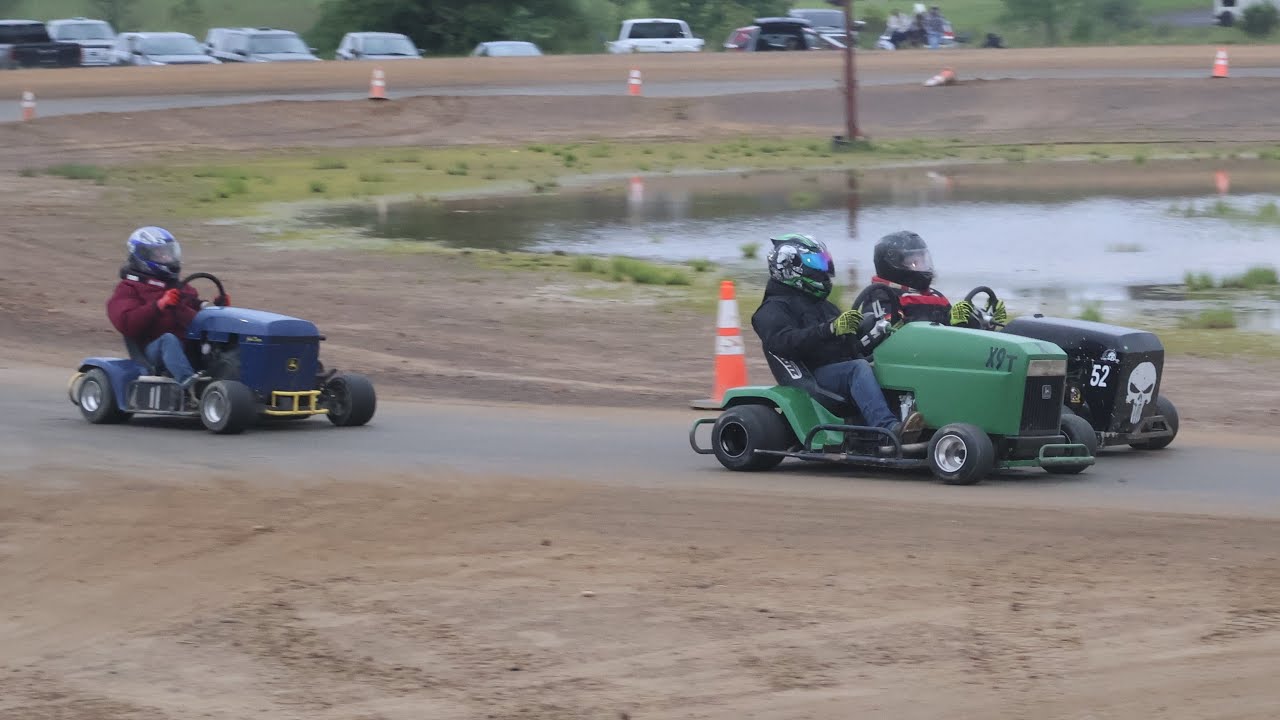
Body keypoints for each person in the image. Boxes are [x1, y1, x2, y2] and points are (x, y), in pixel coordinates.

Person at [751, 233, 923, 443]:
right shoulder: (772, 309)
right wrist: (830, 329)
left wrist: (880, 333)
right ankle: (887, 429)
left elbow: (849, 344)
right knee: (857, 368)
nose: (823, 268)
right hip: (812, 375)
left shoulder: (822, 305)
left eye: (824, 262)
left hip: (837, 366)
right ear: (791, 266)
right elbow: (783, 343)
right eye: (816, 262)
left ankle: (919, 419)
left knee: (881, 362)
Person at [106, 226, 228, 389]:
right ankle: (188, 383)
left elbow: (196, 309)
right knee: (169, 339)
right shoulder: (129, 288)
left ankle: (227, 377)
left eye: (169, 253)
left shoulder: (179, 288)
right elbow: (127, 323)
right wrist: (159, 305)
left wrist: (216, 308)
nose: (166, 257)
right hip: (152, 351)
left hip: (187, 346)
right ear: (142, 256)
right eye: (160, 254)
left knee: (217, 339)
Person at [856, 230, 1007, 328]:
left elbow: (954, 329)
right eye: (915, 262)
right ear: (892, 265)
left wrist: (981, 319)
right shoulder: (881, 296)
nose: (923, 266)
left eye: (924, 260)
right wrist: (949, 323)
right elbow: (896, 332)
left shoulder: (935, 296)